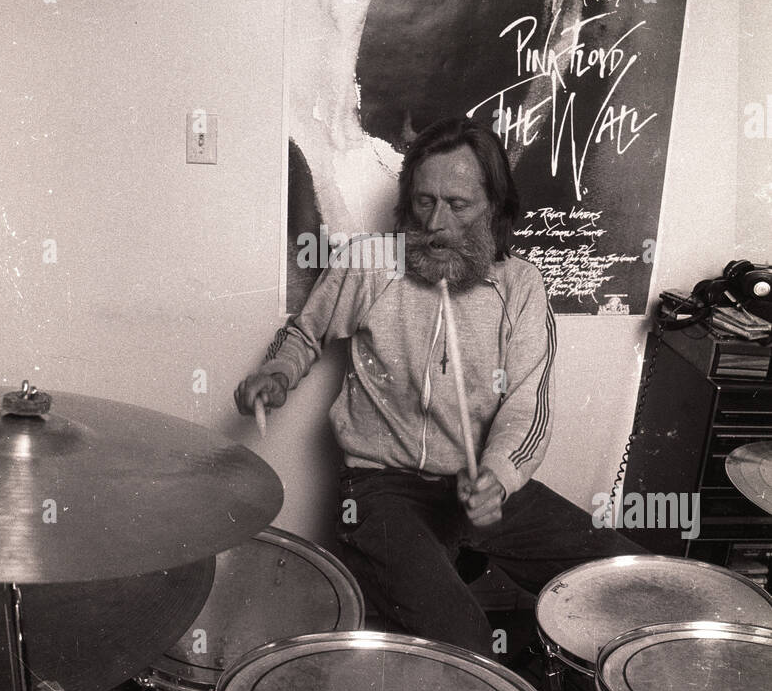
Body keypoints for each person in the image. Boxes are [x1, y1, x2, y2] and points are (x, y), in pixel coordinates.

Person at [236, 117, 636, 658]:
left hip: (480, 481)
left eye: (458, 204)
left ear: (493, 206)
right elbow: (306, 331)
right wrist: (278, 373)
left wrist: (497, 477)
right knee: (465, 646)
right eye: (424, 202)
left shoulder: (520, 285)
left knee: (624, 586)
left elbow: (527, 403)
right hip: (382, 490)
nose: (437, 224)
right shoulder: (370, 262)